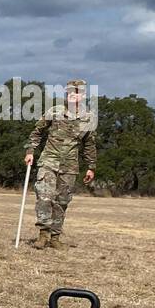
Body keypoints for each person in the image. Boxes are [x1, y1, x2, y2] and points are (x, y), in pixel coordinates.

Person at [23, 78, 97, 249]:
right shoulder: (54, 111)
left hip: (70, 165)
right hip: (48, 161)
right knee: (44, 197)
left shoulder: (88, 118)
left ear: (83, 95)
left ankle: (55, 237)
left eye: (76, 92)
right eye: (70, 91)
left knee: (62, 201)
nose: (72, 95)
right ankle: (43, 235)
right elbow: (37, 133)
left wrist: (91, 167)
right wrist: (30, 152)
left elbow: (89, 144)